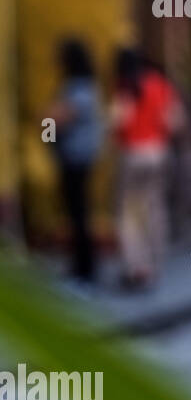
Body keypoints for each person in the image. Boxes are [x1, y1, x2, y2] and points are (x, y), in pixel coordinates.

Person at [111, 48, 180, 289]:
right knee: (155, 208)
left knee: (129, 215)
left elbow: (120, 120)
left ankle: (136, 268)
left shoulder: (126, 86)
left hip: (133, 153)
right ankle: (155, 263)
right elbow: (173, 122)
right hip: (158, 152)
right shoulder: (160, 84)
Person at [47, 38, 103, 283]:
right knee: (78, 212)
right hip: (81, 156)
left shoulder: (79, 87)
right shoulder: (86, 86)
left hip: (76, 157)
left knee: (78, 212)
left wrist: (45, 124)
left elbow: (59, 118)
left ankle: (85, 269)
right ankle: (81, 265)